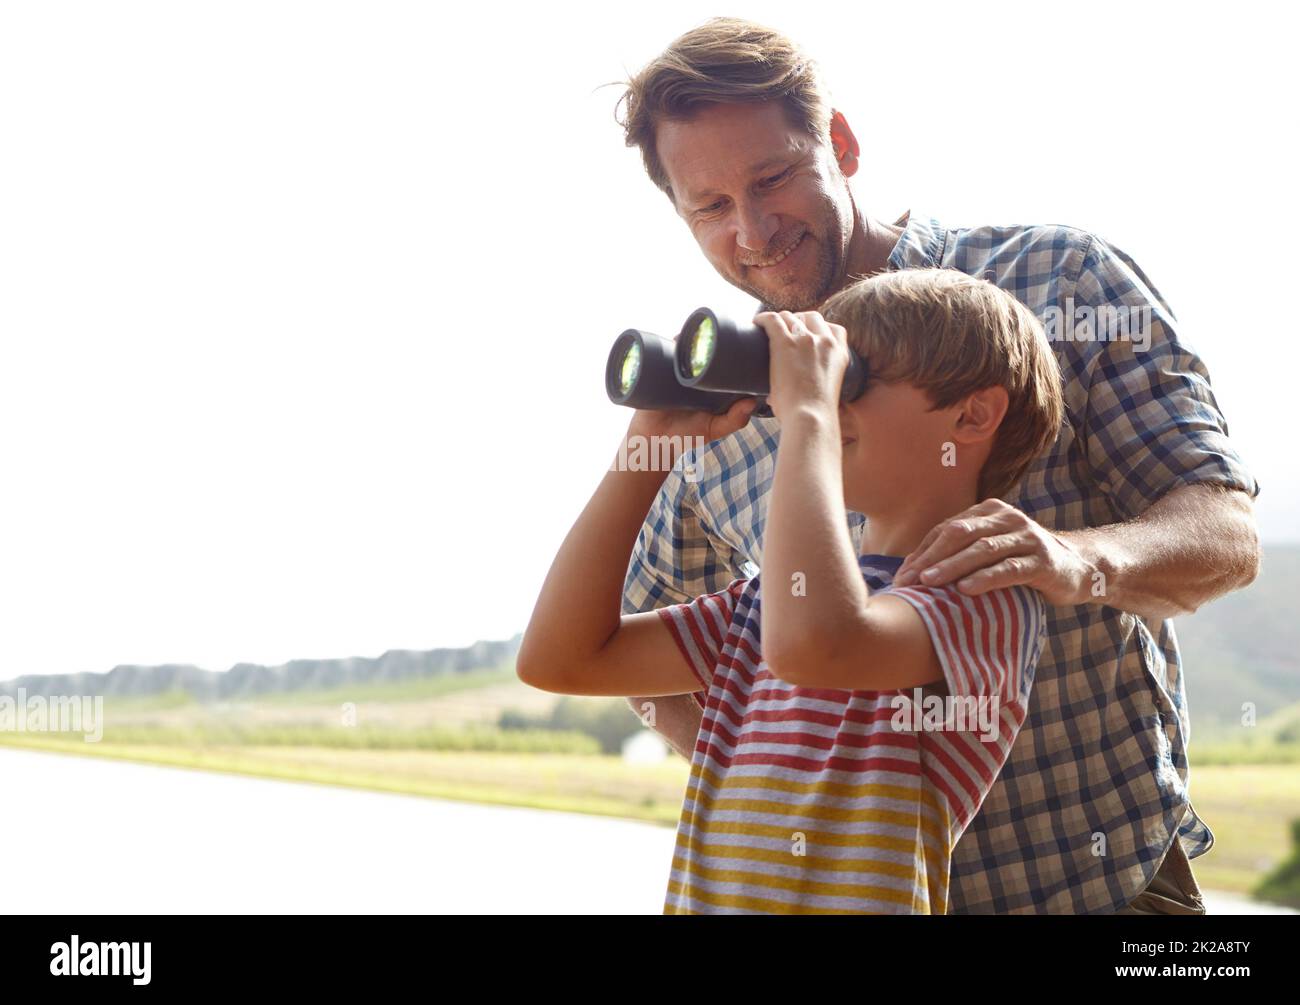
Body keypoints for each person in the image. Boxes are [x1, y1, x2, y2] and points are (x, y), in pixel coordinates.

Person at [609, 16, 1261, 914]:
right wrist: (791, 797)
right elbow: (631, 649)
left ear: (840, 142)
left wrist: (1079, 561)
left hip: (1106, 885)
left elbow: (1226, 533)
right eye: (711, 207)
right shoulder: (719, 403)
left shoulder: (1056, 280)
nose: (753, 232)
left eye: (772, 179)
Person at [518, 268, 1063, 912]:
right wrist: (645, 455)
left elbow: (818, 644)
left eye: (850, 379)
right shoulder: (758, 608)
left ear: (973, 415)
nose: (827, 403)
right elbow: (560, 659)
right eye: (824, 381)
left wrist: (808, 410)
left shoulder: (985, 596)